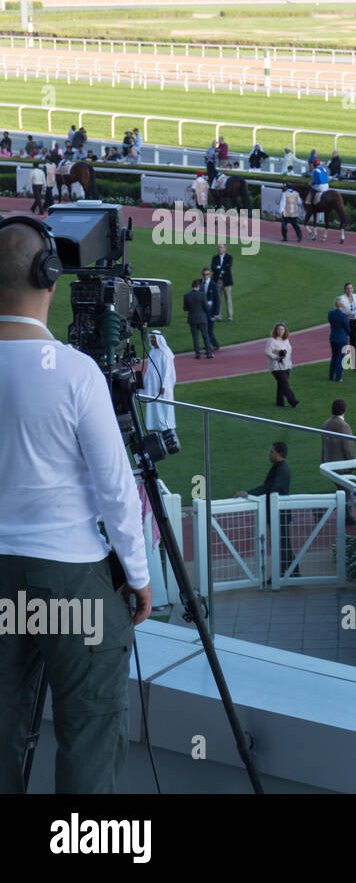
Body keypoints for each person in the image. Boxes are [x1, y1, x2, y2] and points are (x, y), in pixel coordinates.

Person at [0, 218, 152, 793]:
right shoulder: (76, 372)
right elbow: (118, 491)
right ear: (51, 280)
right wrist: (137, 576)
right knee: (88, 733)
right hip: (70, 581)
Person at [236, 442, 294, 578]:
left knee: (282, 544)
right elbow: (268, 488)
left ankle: (286, 574)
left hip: (279, 514)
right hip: (278, 513)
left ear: (279, 453)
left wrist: (249, 494)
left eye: (272, 452)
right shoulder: (279, 468)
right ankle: (289, 573)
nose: (269, 454)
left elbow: (269, 489)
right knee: (283, 544)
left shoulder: (281, 470)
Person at [322, 401, 356, 526]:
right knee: (346, 491)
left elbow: (324, 446)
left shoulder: (326, 424)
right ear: (345, 410)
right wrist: (353, 462)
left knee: (342, 490)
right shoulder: (343, 426)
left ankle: (322, 509)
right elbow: (348, 446)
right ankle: (346, 517)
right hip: (342, 465)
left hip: (329, 463)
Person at [142, 330, 177, 438]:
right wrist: (145, 382)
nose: (151, 340)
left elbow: (167, 371)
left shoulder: (165, 353)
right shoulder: (153, 351)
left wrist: (164, 386)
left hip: (162, 385)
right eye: (151, 338)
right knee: (154, 404)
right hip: (152, 384)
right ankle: (154, 424)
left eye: (153, 338)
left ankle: (167, 425)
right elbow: (149, 369)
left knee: (164, 404)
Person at [266, 322, 299, 408]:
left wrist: (289, 364)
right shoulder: (272, 340)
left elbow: (289, 353)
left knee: (281, 384)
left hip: (287, 366)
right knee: (285, 384)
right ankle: (292, 400)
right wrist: (277, 357)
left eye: (282, 329)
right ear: (276, 330)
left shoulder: (286, 340)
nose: (280, 331)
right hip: (276, 367)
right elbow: (267, 352)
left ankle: (279, 402)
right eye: (279, 329)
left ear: (285, 331)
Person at [338, 281, 356, 372]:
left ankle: (355, 366)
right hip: (346, 323)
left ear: (353, 289)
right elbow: (339, 311)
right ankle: (340, 365)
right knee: (343, 344)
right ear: (345, 290)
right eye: (347, 288)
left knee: (353, 345)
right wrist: (349, 314)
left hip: (355, 323)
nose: (349, 290)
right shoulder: (341, 298)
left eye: (350, 288)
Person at [183, 279, 213, 359]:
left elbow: (185, 308)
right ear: (199, 286)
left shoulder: (187, 295)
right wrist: (210, 305)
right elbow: (207, 308)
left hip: (192, 319)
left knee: (195, 337)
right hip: (202, 318)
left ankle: (198, 354)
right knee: (205, 336)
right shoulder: (202, 295)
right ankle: (209, 354)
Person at [328, 298, 350, 382]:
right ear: (342, 305)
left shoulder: (330, 313)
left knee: (334, 356)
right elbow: (347, 328)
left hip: (333, 337)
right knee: (340, 358)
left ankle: (331, 375)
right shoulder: (343, 315)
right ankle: (338, 377)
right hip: (342, 338)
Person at [211, 242, 235, 322]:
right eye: (218, 247)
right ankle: (218, 315)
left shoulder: (229, 257)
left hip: (226, 281)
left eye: (221, 247)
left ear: (225, 248)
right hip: (217, 281)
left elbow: (228, 267)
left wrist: (219, 268)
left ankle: (230, 317)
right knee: (218, 299)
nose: (219, 248)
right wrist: (221, 269)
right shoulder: (214, 257)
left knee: (228, 298)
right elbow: (213, 268)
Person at [200, 266, 221, 347]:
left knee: (210, 331)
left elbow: (218, 300)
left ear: (209, 274)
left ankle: (215, 345)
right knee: (204, 330)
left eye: (207, 274)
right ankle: (208, 344)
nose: (205, 276)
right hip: (202, 311)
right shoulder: (199, 283)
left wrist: (216, 313)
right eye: (204, 274)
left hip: (211, 312)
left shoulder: (213, 285)